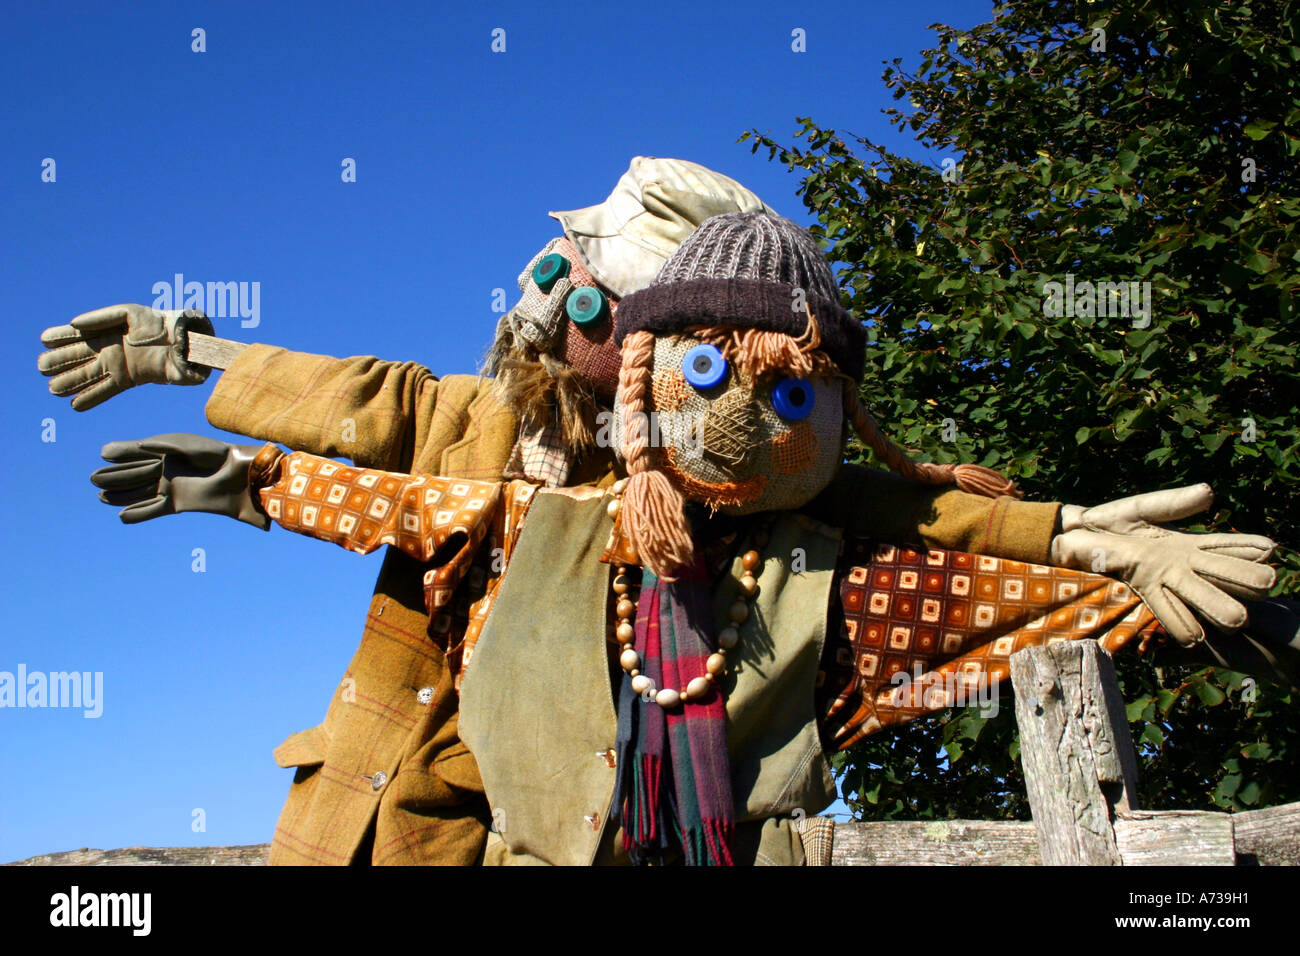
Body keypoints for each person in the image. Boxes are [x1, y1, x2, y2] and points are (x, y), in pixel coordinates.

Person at [87, 212, 1288, 865]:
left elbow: (913, 531)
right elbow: (400, 464)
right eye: (545, 270)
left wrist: (1091, 554)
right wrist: (234, 440)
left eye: (582, 284)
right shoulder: (502, 442)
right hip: (423, 800)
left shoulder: (804, 552)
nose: (543, 298)